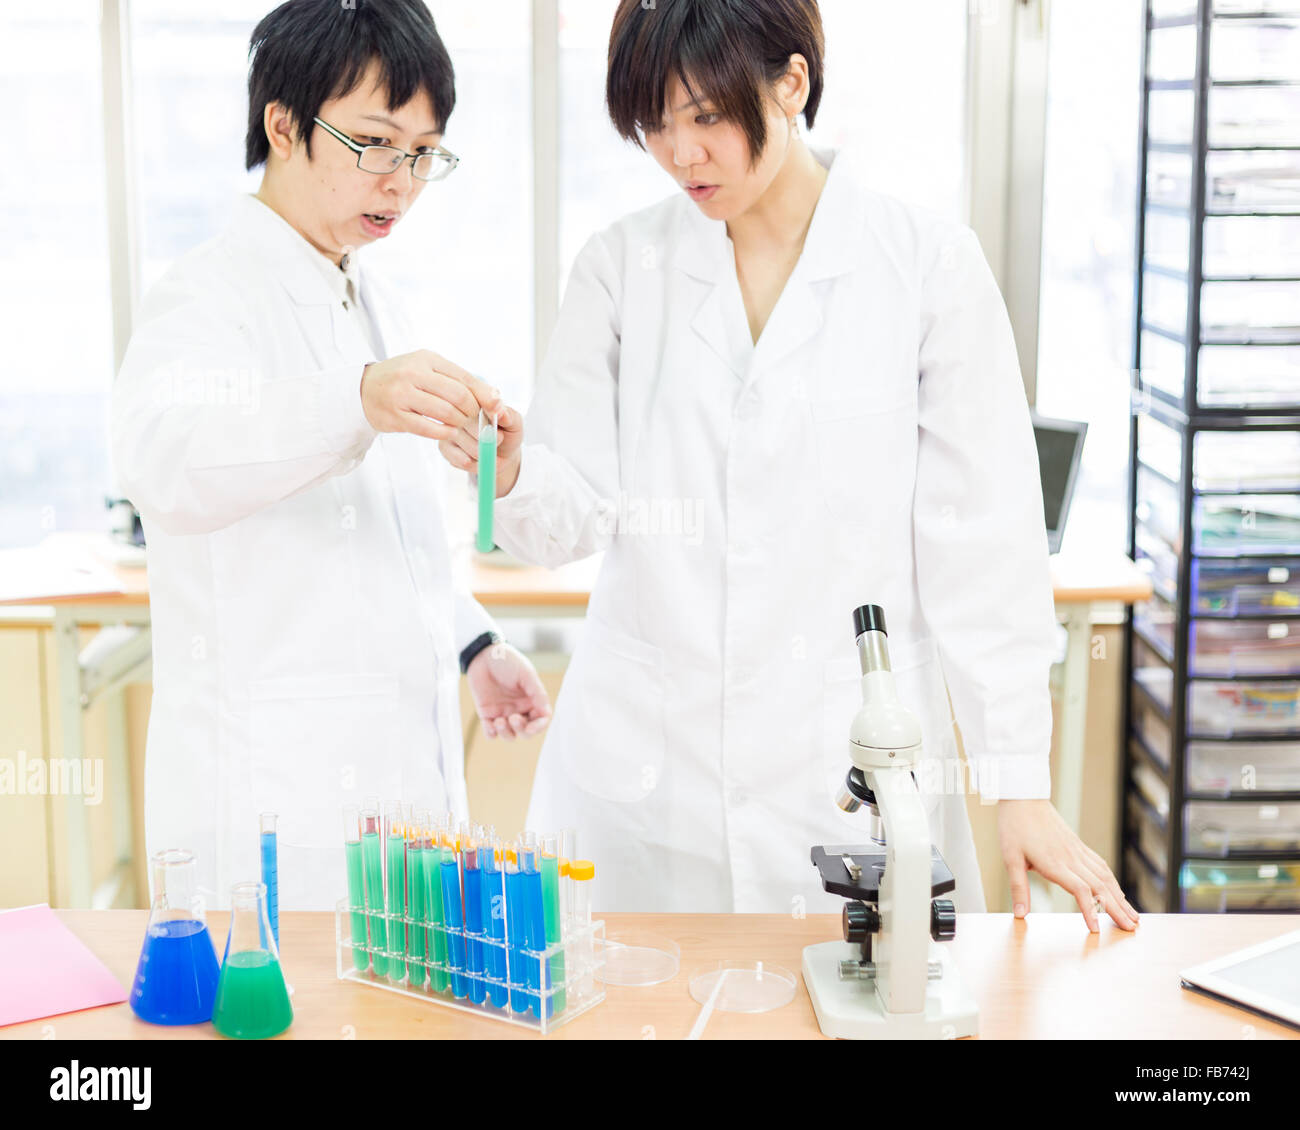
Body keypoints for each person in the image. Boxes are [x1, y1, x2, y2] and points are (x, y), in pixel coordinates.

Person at [446, 0, 1137, 929]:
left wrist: (1018, 782)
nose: (679, 154)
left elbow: (985, 547)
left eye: (705, 117)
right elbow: (565, 521)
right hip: (648, 793)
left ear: (792, 82)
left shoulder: (925, 268)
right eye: (654, 123)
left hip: (841, 781)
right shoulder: (620, 269)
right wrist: (519, 468)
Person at [111, 0, 550, 910]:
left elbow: (384, 530)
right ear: (282, 124)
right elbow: (166, 463)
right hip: (276, 806)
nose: (401, 181)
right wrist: (353, 400)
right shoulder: (206, 295)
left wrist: (470, 638)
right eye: (375, 143)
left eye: (424, 153)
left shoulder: (372, 298)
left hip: (400, 800)